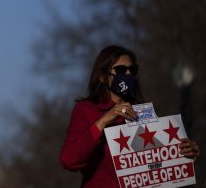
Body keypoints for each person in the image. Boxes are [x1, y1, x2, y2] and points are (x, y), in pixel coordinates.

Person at [60, 45, 200, 187]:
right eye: (120, 70)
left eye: (132, 70)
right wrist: (103, 121)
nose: (127, 74)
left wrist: (184, 158)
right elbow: (68, 160)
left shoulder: (142, 112)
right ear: (102, 77)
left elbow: (156, 165)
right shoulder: (87, 110)